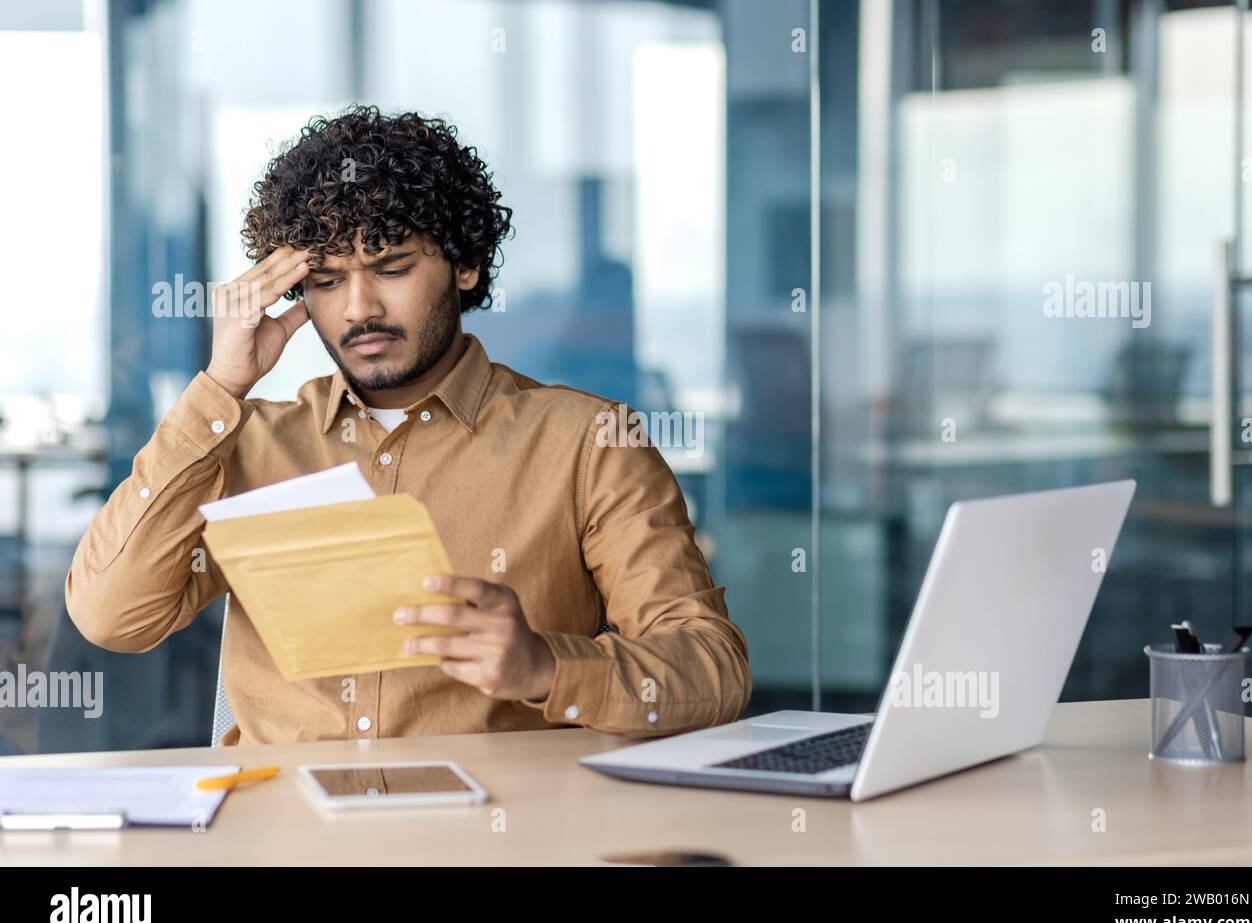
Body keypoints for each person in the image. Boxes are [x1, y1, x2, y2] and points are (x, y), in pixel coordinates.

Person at [65, 105, 751, 746]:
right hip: (283, 835)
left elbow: (712, 667)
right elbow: (110, 615)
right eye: (327, 280)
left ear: (465, 265)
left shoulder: (588, 443)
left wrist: (545, 666)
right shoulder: (247, 442)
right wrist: (220, 386)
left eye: (391, 267)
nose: (359, 308)